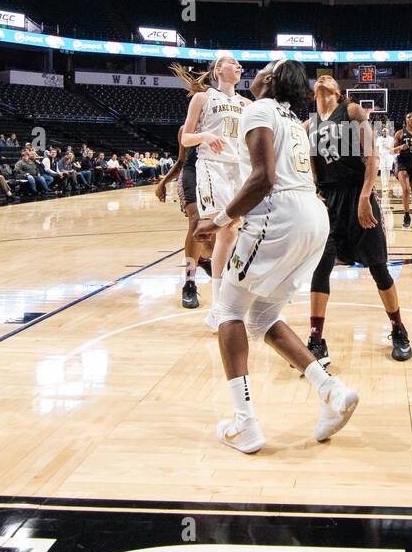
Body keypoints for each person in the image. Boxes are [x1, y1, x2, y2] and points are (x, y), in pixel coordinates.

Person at [194, 60, 359, 455]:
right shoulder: (293, 120)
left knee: (228, 311)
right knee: (263, 317)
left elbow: (263, 178)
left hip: (280, 215)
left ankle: (245, 424)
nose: (251, 72)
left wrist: (220, 219)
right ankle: (331, 390)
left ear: (269, 79)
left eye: (262, 68)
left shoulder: (259, 109)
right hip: (312, 217)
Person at [306, 75, 411, 366]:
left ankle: (399, 329)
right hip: (329, 202)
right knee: (321, 267)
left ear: (338, 91)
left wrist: (365, 197)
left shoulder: (351, 111)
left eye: (331, 78)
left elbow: (372, 157)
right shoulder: (309, 125)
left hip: (357, 194)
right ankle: (316, 340)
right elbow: (312, 167)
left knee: (378, 267)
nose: (324, 77)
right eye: (321, 77)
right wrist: (314, 191)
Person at [177, 56, 249, 331]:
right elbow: (186, 138)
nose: (239, 66)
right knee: (222, 231)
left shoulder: (247, 104)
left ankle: (223, 305)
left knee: (232, 235)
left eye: (239, 64)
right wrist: (204, 136)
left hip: (239, 169)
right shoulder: (203, 98)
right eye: (232, 62)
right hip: (212, 167)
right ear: (218, 69)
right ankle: (219, 304)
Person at [154, 133, 213, 310]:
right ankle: (189, 284)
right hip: (191, 174)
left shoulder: (221, 122)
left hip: (214, 175)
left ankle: (201, 258)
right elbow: (181, 161)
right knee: (196, 220)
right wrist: (163, 182)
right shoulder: (185, 129)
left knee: (210, 244)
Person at [375, 122, 395, 193]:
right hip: (381, 156)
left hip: (389, 156)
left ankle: (387, 183)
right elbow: (377, 148)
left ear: (388, 132)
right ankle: (384, 185)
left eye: (386, 131)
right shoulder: (379, 139)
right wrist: (377, 155)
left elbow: (393, 148)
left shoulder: (391, 139)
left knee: (388, 170)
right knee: (383, 170)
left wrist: (388, 147)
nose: (385, 132)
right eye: (383, 131)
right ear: (382, 132)